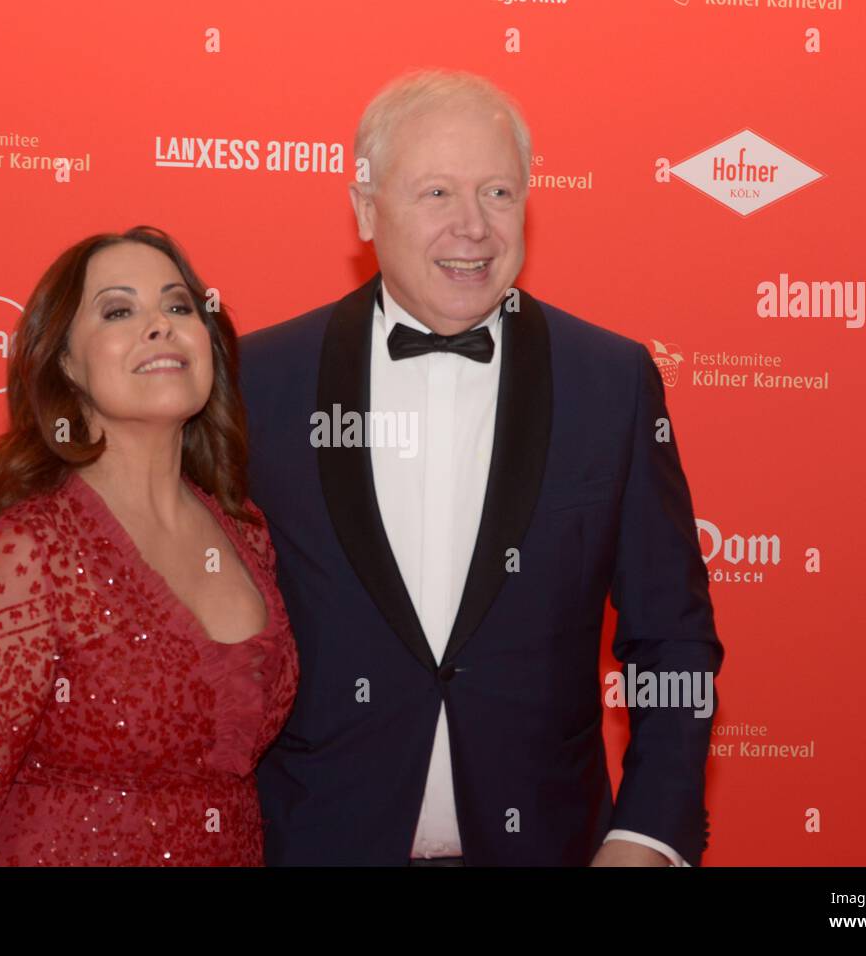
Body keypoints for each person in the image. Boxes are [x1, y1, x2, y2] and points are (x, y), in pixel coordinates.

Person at [239, 70, 723, 866]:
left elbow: (672, 640)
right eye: (436, 193)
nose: (473, 228)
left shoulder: (610, 382)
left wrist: (646, 839)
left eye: (498, 192)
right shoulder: (260, 381)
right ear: (366, 209)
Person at [0, 226, 298, 866]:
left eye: (178, 307)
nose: (160, 327)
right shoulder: (27, 554)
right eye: (119, 311)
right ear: (65, 363)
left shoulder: (243, 530)